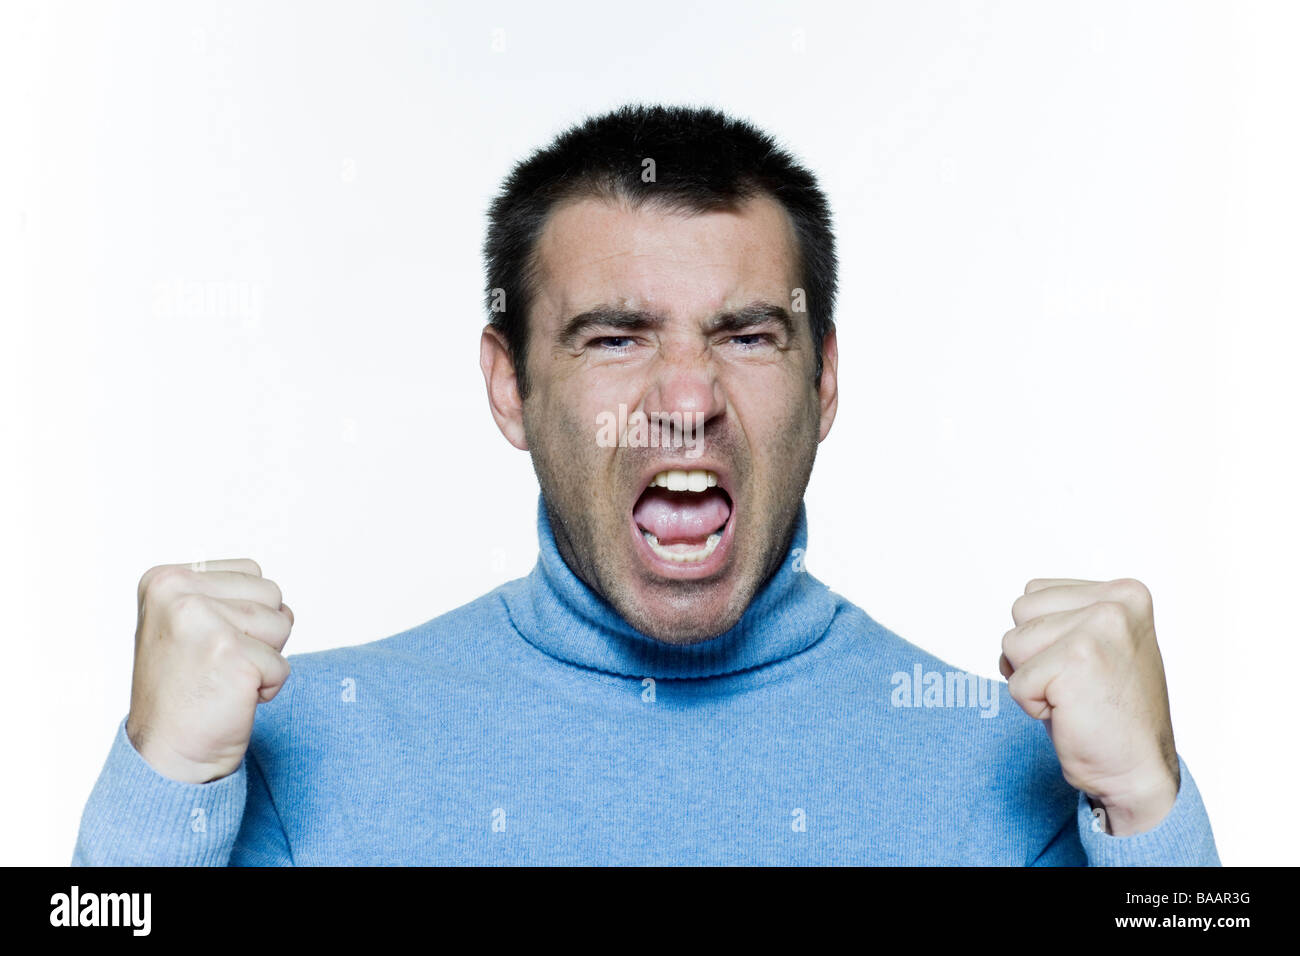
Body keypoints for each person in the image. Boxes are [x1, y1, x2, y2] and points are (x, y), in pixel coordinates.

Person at [74, 104, 1219, 865]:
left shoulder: (1009, 768)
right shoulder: (303, 747)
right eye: (615, 336)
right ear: (509, 385)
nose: (684, 396)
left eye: (747, 334)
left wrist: (1149, 809)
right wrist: (158, 788)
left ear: (824, 380)